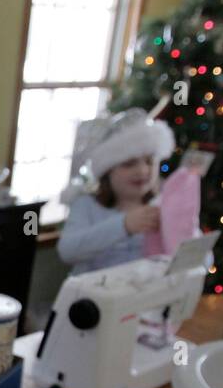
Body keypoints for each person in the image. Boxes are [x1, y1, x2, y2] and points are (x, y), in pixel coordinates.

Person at [57, 108, 174, 275]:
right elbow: (67, 251)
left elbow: (199, 256)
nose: (142, 171)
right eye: (128, 164)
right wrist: (124, 225)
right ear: (107, 171)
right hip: (92, 297)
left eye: (149, 162)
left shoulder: (164, 204)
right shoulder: (86, 205)